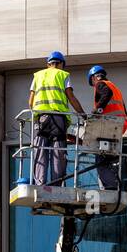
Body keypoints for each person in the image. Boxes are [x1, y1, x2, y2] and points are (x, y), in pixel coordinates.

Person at [28, 52, 85, 186]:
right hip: (58, 119)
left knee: (40, 150)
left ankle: (40, 183)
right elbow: (71, 97)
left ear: (48, 64)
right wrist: (82, 114)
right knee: (58, 151)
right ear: (61, 64)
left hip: (41, 118)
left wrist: (35, 116)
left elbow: (30, 100)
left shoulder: (38, 76)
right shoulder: (63, 75)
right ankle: (56, 183)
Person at [87, 65, 127, 190]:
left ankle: (109, 187)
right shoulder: (115, 87)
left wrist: (97, 110)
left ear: (94, 78)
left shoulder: (101, 84)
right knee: (111, 158)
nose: (94, 85)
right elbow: (124, 110)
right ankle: (114, 185)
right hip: (118, 126)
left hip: (107, 125)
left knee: (101, 158)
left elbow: (106, 93)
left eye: (92, 82)